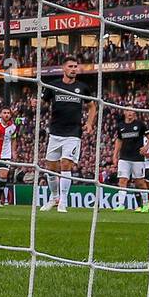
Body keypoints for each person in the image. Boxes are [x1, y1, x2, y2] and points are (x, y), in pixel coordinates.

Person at [39, 57, 96, 213]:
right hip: (55, 132)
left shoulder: (82, 88)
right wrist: (36, 103)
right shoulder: (53, 86)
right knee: (50, 168)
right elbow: (43, 103)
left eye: (75, 67)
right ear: (63, 68)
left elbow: (92, 107)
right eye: (70, 66)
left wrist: (90, 123)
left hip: (73, 133)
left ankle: (63, 201)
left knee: (65, 164)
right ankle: (54, 197)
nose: (73, 69)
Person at [113, 108, 148, 209]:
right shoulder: (121, 126)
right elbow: (119, 140)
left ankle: (145, 203)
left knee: (140, 182)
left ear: (134, 114)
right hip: (124, 158)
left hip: (137, 158)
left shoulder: (140, 125)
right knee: (122, 180)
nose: (130, 113)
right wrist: (115, 155)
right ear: (124, 113)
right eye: (128, 111)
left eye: (132, 112)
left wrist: (146, 147)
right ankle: (121, 204)